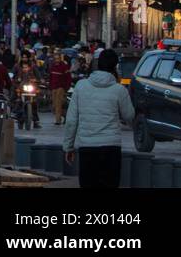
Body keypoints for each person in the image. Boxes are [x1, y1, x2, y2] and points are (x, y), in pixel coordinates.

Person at [63, 48, 133, 188]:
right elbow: (129, 116)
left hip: (87, 148)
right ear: (115, 67)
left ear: (97, 64)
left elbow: (71, 120)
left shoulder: (81, 86)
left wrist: (68, 147)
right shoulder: (119, 90)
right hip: (111, 148)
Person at [49, 51, 72, 126]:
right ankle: (65, 116)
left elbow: (68, 78)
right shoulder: (52, 66)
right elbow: (51, 77)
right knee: (54, 106)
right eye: (55, 59)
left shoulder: (64, 66)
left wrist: (66, 88)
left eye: (58, 58)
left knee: (58, 104)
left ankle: (58, 120)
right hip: (53, 88)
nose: (57, 60)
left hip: (61, 88)